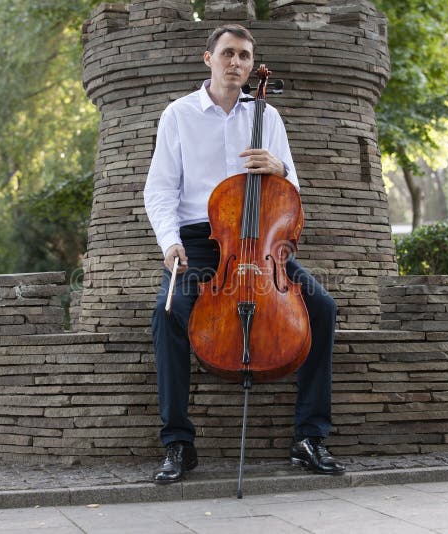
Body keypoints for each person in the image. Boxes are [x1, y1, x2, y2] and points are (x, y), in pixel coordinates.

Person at [143, 24, 345, 484]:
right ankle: (178, 442)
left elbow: (290, 191)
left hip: (258, 245)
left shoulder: (266, 115)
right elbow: (159, 190)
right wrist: (169, 243)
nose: (237, 62)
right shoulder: (178, 115)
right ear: (208, 58)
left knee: (323, 307)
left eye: (246, 56)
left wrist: (279, 168)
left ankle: (309, 437)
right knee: (167, 310)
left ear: (253, 66)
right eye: (229, 53)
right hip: (198, 240)